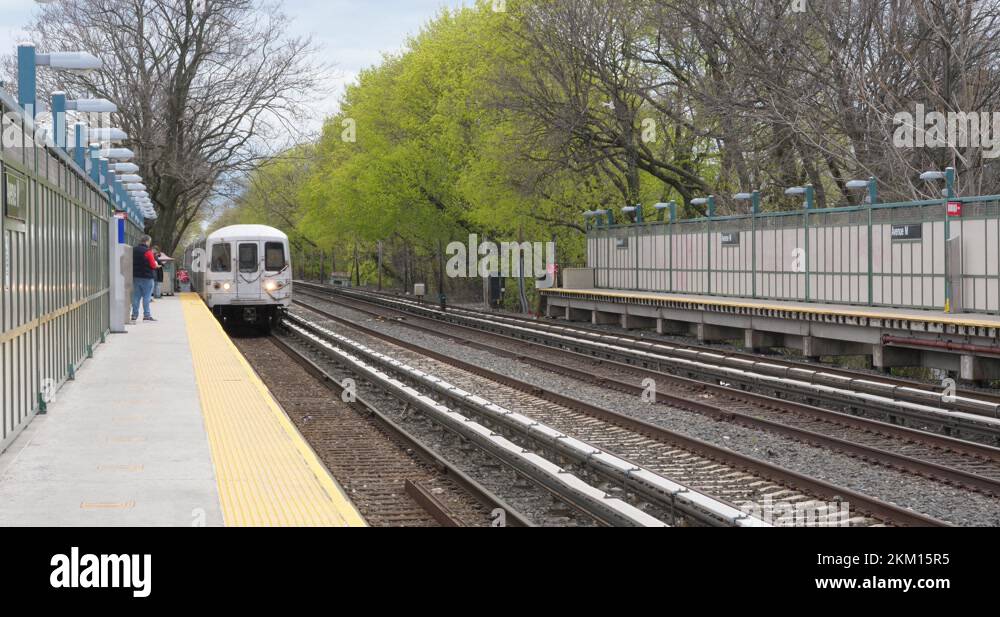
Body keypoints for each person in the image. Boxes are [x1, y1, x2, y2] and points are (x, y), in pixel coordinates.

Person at [131, 235, 161, 322]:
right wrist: (156, 265)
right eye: (149, 242)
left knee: (136, 297)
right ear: (147, 241)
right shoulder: (148, 251)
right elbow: (153, 265)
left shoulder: (133, 250)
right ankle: (147, 315)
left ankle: (134, 315)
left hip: (136, 277)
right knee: (147, 297)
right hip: (147, 277)